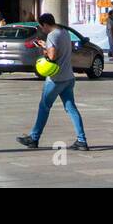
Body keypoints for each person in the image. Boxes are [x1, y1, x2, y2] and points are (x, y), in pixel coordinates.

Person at [17, 13, 88, 152]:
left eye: (41, 26)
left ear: (45, 24)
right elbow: (61, 51)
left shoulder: (52, 35)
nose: (42, 29)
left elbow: (52, 56)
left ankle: (34, 138)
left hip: (56, 79)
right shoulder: (65, 32)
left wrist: (44, 48)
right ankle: (82, 140)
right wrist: (46, 45)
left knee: (44, 106)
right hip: (68, 76)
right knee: (71, 108)